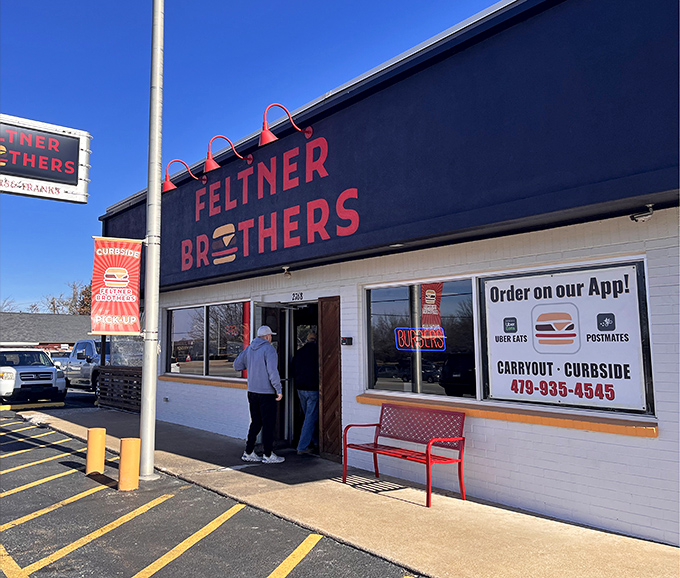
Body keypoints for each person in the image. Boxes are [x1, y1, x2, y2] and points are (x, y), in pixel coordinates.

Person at [233, 325, 285, 464]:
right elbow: (272, 372)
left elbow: (237, 365)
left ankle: (248, 451)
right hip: (266, 393)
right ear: (268, 336)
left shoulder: (249, 348)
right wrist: (278, 389)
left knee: (256, 423)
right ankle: (268, 455)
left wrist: (251, 365)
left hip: (252, 392)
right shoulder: (269, 349)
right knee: (268, 424)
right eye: (271, 336)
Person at [292, 332, 319, 455]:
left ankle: (316, 442)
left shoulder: (299, 352)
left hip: (300, 388)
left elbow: (293, 369)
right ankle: (302, 447)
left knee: (309, 416)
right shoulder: (318, 352)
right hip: (313, 389)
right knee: (310, 417)